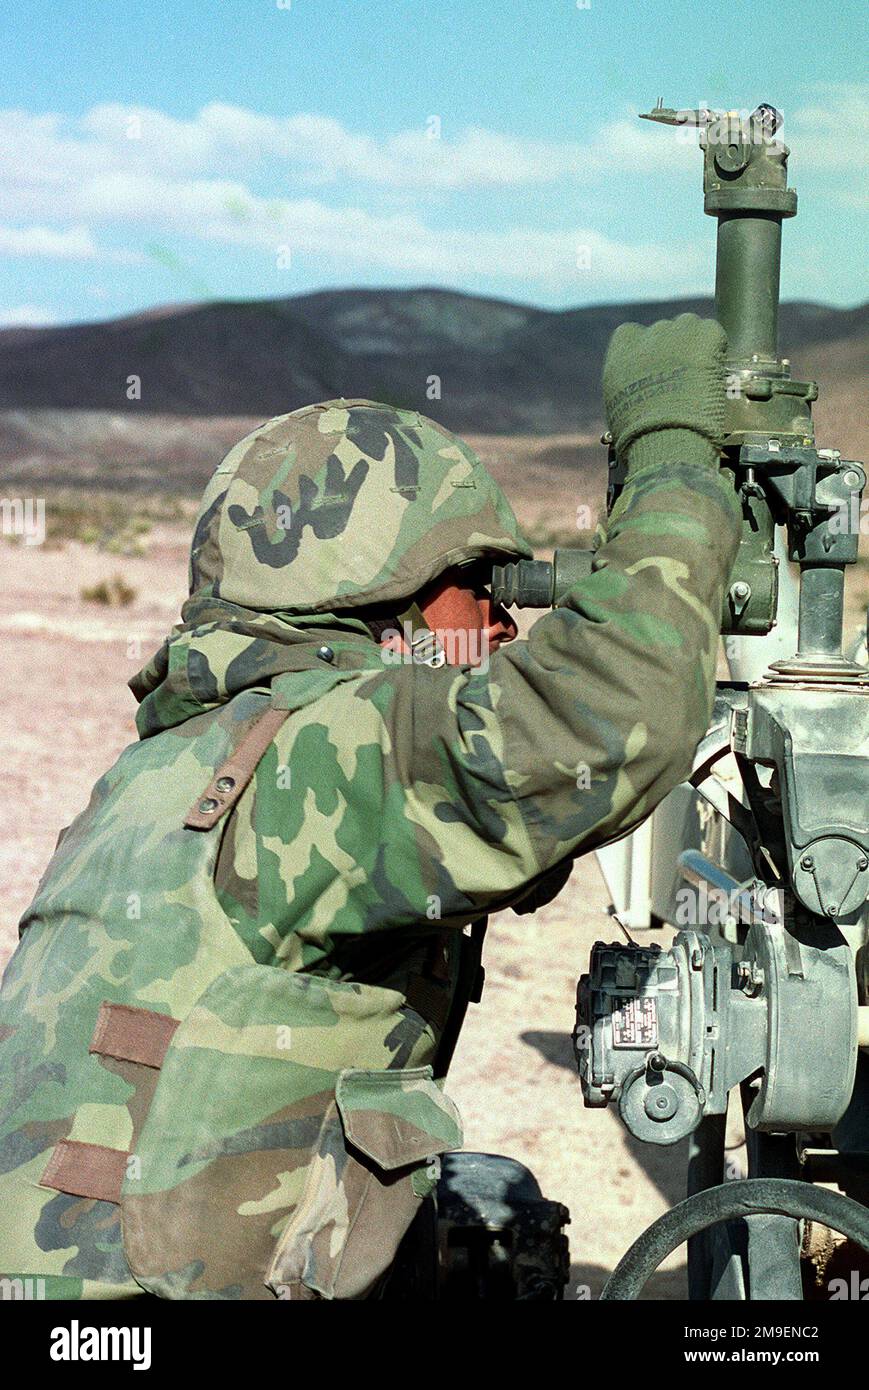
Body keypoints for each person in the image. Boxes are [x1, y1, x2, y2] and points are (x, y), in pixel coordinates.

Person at [0, 314, 740, 1299]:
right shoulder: (325, 743)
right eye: (476, 582)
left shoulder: (192, 752)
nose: (502, 620)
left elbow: (469, 823)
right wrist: (671, 453)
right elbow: (609, 714)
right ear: (371, 595)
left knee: (478, 1220)